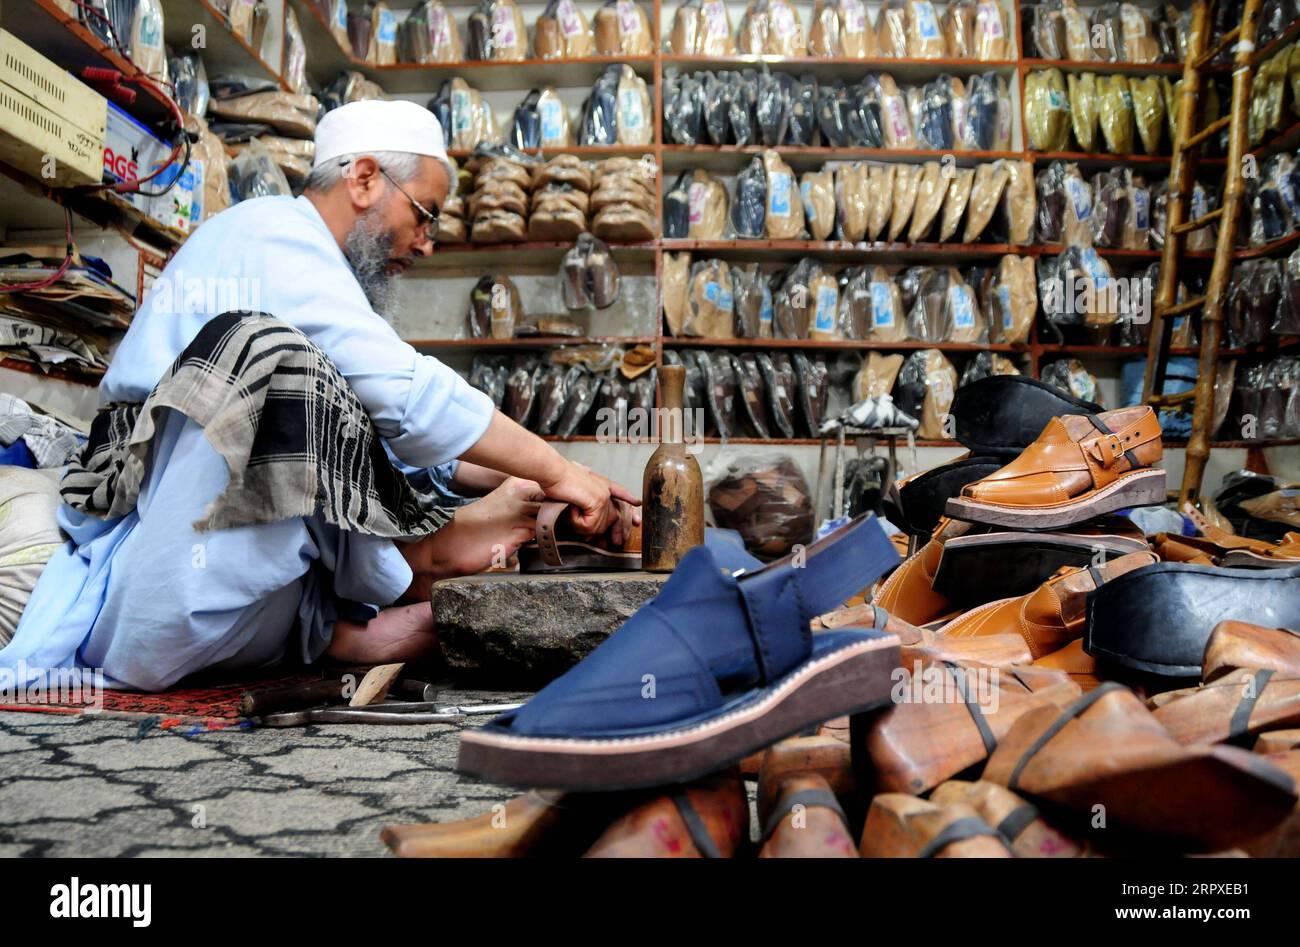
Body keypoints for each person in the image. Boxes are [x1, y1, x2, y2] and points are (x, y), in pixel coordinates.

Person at [0, 99, 636, 690]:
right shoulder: (268, 231)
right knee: (272, 357)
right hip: (149, 506)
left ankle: (338, 631)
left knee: (347, 404)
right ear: (363, 179)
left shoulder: (323, 274)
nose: (427, 242)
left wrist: (547, 480)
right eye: (425, 214)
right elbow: (405, 397)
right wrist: (558, 468)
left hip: (220, 544)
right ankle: (418, 560)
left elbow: (396, 424)